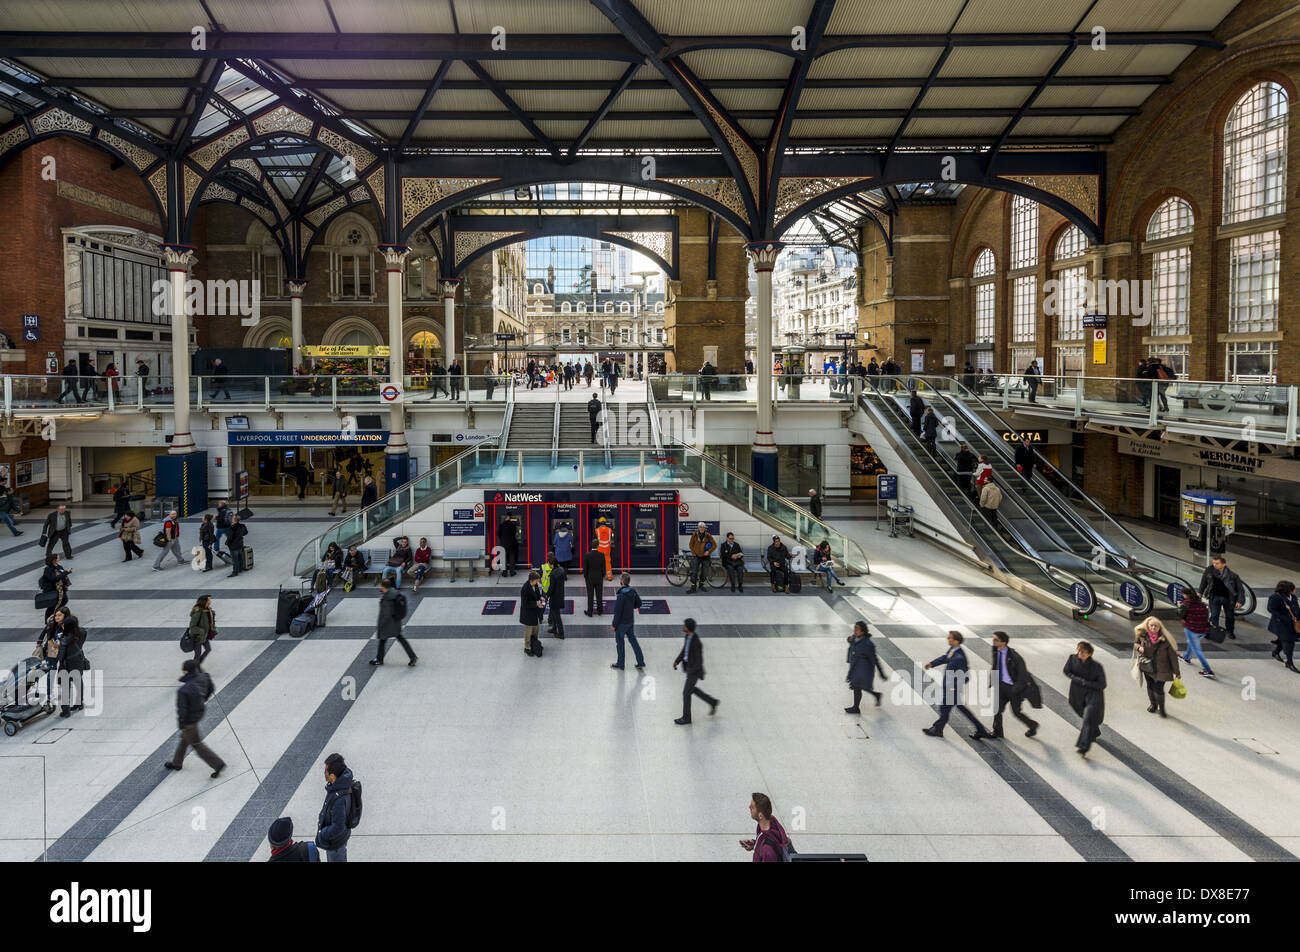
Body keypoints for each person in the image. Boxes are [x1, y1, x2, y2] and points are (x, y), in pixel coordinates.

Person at [164, 659, 225, 778]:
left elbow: (182, 710)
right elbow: (211, 688)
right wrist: (202, 700)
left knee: (196, 743)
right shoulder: (204, 677)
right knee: (185, 739)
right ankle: (177, 763)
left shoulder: (184, 690)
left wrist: (182, 725)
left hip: (189, 721)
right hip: (198, 714)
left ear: (186, 671)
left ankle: (217, 764)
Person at [922, 631, 987, 738]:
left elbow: (965, 676)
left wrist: (953, 688)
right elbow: (945, 657)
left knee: (944, 710)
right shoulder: (953, 650)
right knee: (959, 710)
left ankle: (937, 729)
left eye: (950, 638)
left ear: (956, 641)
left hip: (952, 690)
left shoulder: (960, 657)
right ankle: (980, 729)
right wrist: (932, 664)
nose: (948, 639)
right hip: (950, 688)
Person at [38, 608, 88, 718]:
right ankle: (79, 703)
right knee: (78, 682)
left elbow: (60, 651)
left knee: (65, 686)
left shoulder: (64, 639)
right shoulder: (81, 632)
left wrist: (56, 650)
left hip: (67, 663)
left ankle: (66, 711)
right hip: (78, 660)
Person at [1063, 640, 1106, 756]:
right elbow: (1066, 671)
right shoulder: (1072, 659)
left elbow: (1102, 684)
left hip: (1093, 694)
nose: (1080, 653)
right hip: (1077, 693)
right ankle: (1094, 730)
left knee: (1087, 717)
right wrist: (1077, 679)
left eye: (1083, 652)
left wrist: (1086, 683)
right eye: (1079, 651)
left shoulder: (1097, 667)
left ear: (1089, 654)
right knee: (1082, 712)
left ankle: (1083, 746)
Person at [1133, 616, 1181, 718]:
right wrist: (1139, 647)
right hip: (1148, 667)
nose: (1154, 628)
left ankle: (1162, 709)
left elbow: (1173, 657)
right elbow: (1135, 644)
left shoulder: (1166, 639)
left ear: (1160, 627)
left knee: (1159, 689)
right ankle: (1153, 704)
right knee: (1150, 686)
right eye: (1151, 626)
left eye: (1156, 626)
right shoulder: (1142, 635)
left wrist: (1177, 672)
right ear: (1148, 626)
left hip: (1162, 668)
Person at [673, 617, 717, 724]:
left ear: (688, 628)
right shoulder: (688, 636)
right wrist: (677, 661)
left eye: (684, 625)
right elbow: (685, 650)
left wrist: (691, 671)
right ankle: (712, 702)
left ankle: (686, 718)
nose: (683, 626)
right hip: (689, 668)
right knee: (691, 690)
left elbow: (699, 661)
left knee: (686, 693)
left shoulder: (696, 643)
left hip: (694, 671)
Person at [316, 753, 354, 862]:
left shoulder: (339, 799)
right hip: (341, 838)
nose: (324, 773)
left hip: (335, 843)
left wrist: (322, 834)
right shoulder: (343, 784)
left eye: (326, 771)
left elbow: (338, 827)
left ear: (332, 776)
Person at [371, 577, 417, 666]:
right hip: (396, 621)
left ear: (384, 587)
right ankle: (412, 657)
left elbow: (386, 615)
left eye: (381, 587)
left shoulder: (387, 599)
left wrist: (380, 625)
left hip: (388, 624)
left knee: (382, 641)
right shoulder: (395, 593)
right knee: (401, 639)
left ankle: (379, 659)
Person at [1199, 556, 1243, 641]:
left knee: (1230, 616)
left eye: (1217, 563)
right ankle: (1213, 632)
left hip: (1228, 599)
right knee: (1214, 615)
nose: (1214, 565)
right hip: (1214, 597)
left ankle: (1230, 632)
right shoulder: (1209, 571)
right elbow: (1203, 581)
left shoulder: (1233, 576)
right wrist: (1200, 592)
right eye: (1213, 563)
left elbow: (1240, 589)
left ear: (1224, 564)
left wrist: (1240, 601)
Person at [844, 621, 884, 712]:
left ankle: (856, 707)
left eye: (857, 629)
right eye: (854, 628)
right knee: (861, 687)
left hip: (864, 670)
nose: (854, 630)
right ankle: (876, 695)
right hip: (856, 667)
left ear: (863, 632)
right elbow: (851, 644)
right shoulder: (855, 638)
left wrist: (881, 673)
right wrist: (849, 640)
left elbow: (875, 659)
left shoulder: (868, 644)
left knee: (857, 687)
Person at [740, 793, 791, 862]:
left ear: (760, 816)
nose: (749, 807)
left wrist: (759, 847)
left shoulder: (767, 851)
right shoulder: (770, 823)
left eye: (752, 807)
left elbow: (768, 849)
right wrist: (755, 844)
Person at [609, 572, 644, 670]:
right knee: (633, 641)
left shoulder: (621, 596)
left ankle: (620, 664)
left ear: (622, 581)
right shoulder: (633, 591)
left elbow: (618, 612)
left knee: (620, 643)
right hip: (630, 621)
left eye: (620, 579)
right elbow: (639, 603)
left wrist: (613, 625)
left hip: (621, 624)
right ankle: (640, 662)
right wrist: (631, 606)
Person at [1178, 589, 1214, 678]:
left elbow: (1180, 615)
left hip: (1192, 629)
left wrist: (1180, 606)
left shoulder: (1186, 604)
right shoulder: (1202, 604)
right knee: (1192, 643)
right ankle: (1186, 657)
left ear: (1186, 595)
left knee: (1197, 650)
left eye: (1183, 594)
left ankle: (1208, 670)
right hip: (1203, 630)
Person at [1267, 580, 1300, 672]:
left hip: (1292, 623)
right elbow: (1271, 609)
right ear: (1288, 590)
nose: (1295, 590)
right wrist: (1284, 618)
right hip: (1281, 624)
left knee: (1285, 640)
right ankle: (1289, 663)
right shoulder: (1275, 597)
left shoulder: (1292, 597)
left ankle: (1276, 652)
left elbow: (1296, 608)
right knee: (1289, 642)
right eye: (1293, 589)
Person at [519, 570, 545, 657]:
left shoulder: (535, 585)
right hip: (528, 614)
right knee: (528, 631)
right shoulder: (525, 589)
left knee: (536, 629)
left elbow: (537, 594)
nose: (538, 582)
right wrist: (536, 603)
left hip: (535, 612)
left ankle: (534, 643)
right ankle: (527, 647)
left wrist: (540, 598)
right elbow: (524, 604)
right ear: (532, 580)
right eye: (536, 580)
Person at [686, 521, 715, 593]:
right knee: (694, 572)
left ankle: (701, 585)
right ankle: (693, 587)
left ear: (705, 528)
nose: (702, 528)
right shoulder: (694, 535)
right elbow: (691, 544)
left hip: (705, 557)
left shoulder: (708, 535)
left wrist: (709, 551)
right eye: (700, 527)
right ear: (698, 528)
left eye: (703, 527)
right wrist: (693, 552)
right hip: (697, 556)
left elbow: (714, 545)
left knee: (704, 573)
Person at [188, 594, 216, 666]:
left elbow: (211, 622)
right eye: (209, 600)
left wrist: (213, 630)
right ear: (204, 601)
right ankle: (194, 669)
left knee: (208, 649)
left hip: (204, 636)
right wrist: (202, 631)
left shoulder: (209, 611)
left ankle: (197, 665)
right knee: (198, 653)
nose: (210, 601)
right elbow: (192, 626)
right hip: (197, 636)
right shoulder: (198, 612)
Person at [545, 552, 567, 639]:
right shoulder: (561, 570)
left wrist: (546, 595)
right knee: (554, 613)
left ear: (551, 564)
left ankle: (561, 633)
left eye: (549, 563)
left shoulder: (553, 574)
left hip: (554, 597)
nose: (548, 565)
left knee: (557, 616)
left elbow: (551, 587)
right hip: (560, 595)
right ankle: (554, 629)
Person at [582, 539, 605, 615]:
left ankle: (590, 612)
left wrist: (586, 577)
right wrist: (602, 576)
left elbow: (585, 569)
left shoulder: (587, 555)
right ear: (598, 546)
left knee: (590, 595)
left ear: (591, 545)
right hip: (599, 578)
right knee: (599, 595)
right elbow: (603, 568)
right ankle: (600, 611)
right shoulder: (602, 555)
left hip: (590, 578)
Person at [224, 513, 248, 577]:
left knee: (235, 560)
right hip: (240, 544)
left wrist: (227, 543)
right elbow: (245, 533)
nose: (231, 519)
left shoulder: (231, 528)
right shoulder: (242, 526)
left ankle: (235, 572)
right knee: (240, 557)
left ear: (234, 520)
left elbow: (230, 538)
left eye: (232, 518)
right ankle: (240, 568)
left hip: (233, 546)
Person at [497, 513, 520, 577]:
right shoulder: (513, 525)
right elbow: (515, 534)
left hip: (503, 544)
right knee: (512, 559)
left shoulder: (501, 525)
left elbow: (498, 534)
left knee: (504, 559)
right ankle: (512, 572)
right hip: (511, 544)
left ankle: (504, 573)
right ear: (510, 518)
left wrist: (502, 540)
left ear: (505, 518)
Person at [213, 500, 233, 564]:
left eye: (219, 503)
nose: (218, 504)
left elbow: (221, 519)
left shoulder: (222, 510)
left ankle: (216, 549)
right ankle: (233, 548)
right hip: (228, 526)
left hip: (221, 527)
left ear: (222, 504)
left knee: (217, 538)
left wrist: (216, 517)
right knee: (230, 538)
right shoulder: (227, 509)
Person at [595, 515, 613, 580]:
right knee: (608, 563)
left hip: (600, 549)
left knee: (599, 563)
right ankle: (609, 577)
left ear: (599, 523)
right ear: (605, 523)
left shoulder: (597, 530)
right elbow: (611, 539)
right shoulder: (609, 530)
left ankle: (599, 576)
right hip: (607, 549)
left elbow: (595, 540)